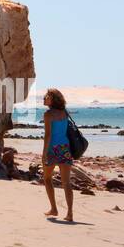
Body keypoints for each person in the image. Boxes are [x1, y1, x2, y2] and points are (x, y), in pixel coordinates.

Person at [41, 88, 74, 222]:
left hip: (52, 149)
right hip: (65, 148)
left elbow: (48, 135)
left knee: (47, 179)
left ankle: (54, 208)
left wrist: (44, 153)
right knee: (66, 182)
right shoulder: (64, 113)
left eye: (46, 97)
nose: (43, 98)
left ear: (52, 99)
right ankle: (70, 213)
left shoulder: (48, 114)